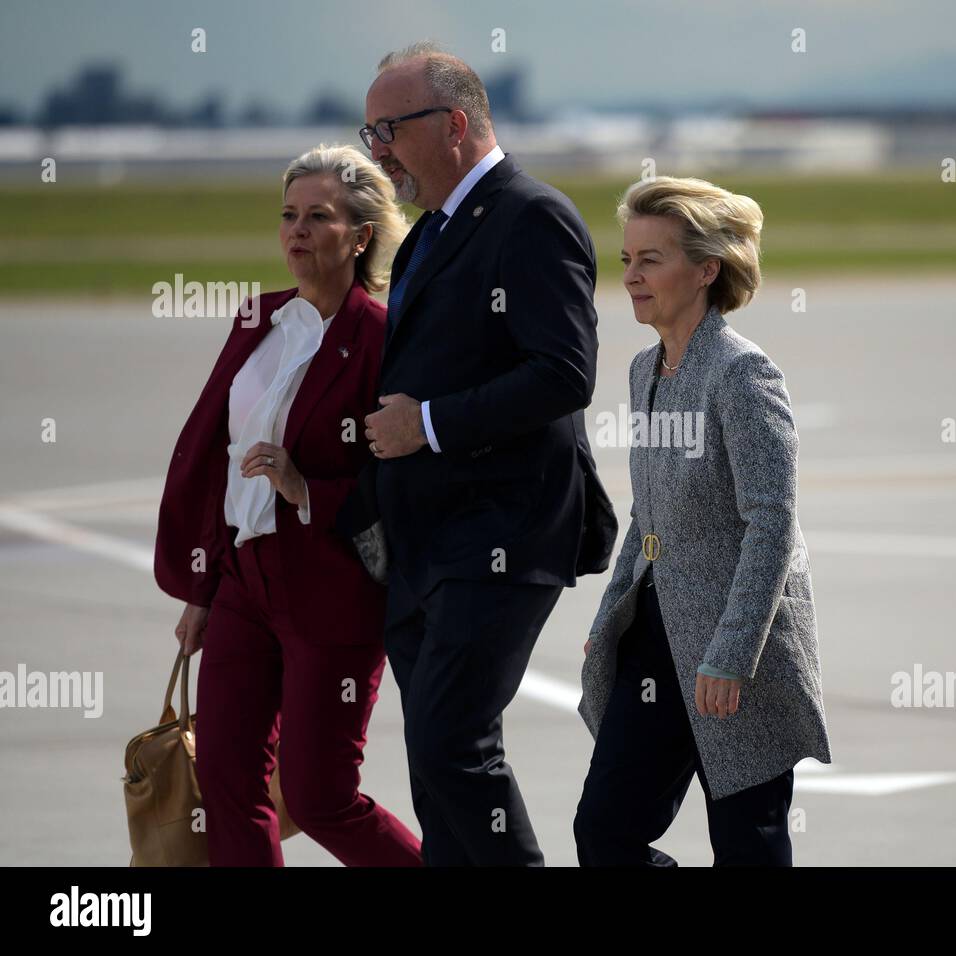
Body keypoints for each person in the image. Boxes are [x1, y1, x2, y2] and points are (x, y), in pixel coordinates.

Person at [353, 42, 616, 866]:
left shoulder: (530, 215)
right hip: (423, 542)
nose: (378, 150)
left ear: (456, 124)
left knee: (451, 747)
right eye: (370, 132)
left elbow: (563, 373)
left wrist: (427, 424)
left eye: (389, 128)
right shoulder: (429, 230)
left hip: (503, 530)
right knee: (434, 773)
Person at [154, 144, 421, 866]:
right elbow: (218, 464)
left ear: (360, 236)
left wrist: (308, 489)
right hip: (244, 580)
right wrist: (206, 589)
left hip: (331, 589)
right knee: (227, 780)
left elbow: (407, 483)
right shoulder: (256, 321)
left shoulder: (382, 337)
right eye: (289, 215)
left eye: (319, 216)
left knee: (319, 797)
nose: (298, 231)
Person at [573, 176, 833, 866]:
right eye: (626, 259)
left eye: (650, 259)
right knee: (604, 832)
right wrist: (609, 622)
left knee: (748, 847)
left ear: (706, 269)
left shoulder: (743, 374)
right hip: (657, 640)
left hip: (737, 648)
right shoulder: (643, 370)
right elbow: (646, 516)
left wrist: (732, 653)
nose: (630, 276)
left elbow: (772, 523)